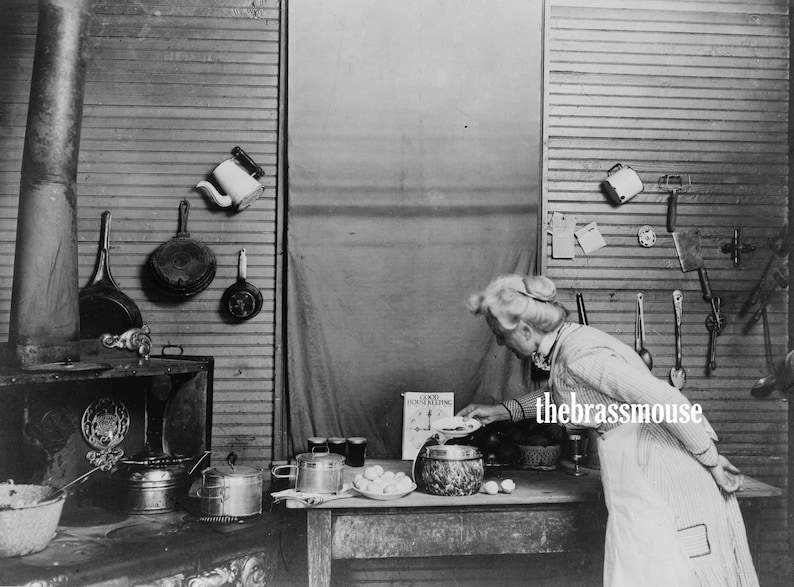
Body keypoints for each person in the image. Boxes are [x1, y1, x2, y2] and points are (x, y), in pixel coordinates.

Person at [457, 273, 758, 587]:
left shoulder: (578, 356)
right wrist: (503, 411)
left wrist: (710, 459)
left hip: (659, 477)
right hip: (643, 470)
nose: (501, 344)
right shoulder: (572, 343)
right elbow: (574, 397)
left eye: (501, 336)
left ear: (525, 329)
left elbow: (665, 397)